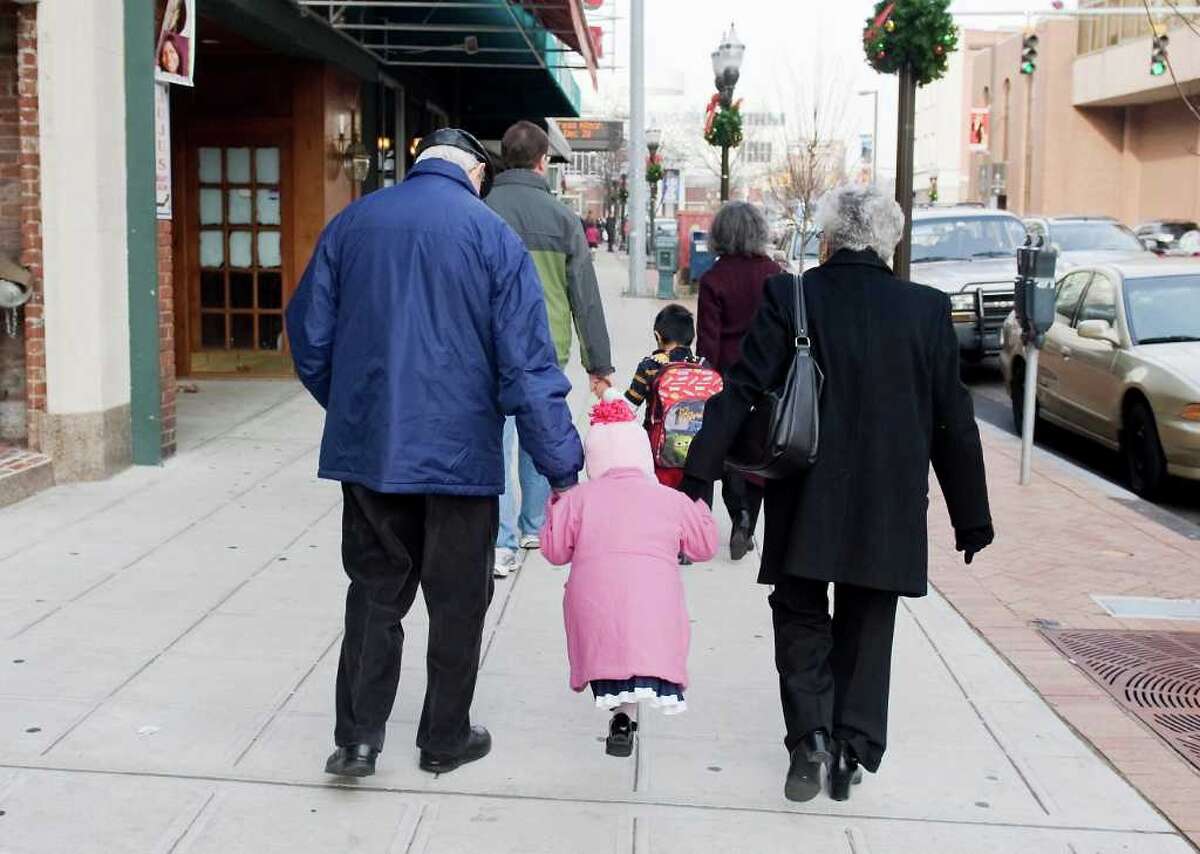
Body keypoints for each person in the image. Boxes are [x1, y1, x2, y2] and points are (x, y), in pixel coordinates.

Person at [286, 128, 583, 780]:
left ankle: (358, 741)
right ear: (476, 173)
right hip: (460, 458)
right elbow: (529, 367)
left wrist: (353, 406)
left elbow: (309, 336)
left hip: (373, 451)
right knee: (457, 601)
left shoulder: (353, 223)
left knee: (374, 591)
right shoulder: (492, 238)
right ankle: (444, 737)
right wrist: (562, 466)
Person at [682, 184, 994, 803]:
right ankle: (853, 746)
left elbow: (743, 388)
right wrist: (971, 516)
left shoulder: (793, 296)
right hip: (890, 500)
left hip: (807, 491)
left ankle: (810, 742)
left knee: (799, 610)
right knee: (868, 618)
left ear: (826, 240)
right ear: (889, 243)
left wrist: (698, 473)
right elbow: (952, 421)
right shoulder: (927, 310)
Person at [542, 393, 717, 757]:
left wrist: (557, 504)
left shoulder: (579, 498)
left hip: (596, 606)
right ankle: (626, 716)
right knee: (642, 655)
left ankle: (621, 716)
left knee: (611, 660)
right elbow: (703, 547)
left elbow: (555, 552)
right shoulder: (668, 499)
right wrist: (698, 505)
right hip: (655, 607)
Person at [486, 121, 614, 579]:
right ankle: (535, 524)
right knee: (541, 427)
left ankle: (500, 538)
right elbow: (585, 294)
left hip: (491, 347)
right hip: (547, 344)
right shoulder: (563, 219)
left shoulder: (482, 209)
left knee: (496, 440)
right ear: (543, 162)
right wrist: (597, 363)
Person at [695, 201, 782, 561]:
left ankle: (738, 514)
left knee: (730, 451)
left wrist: (707, 378)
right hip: (769, 376)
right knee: (758, 452)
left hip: (730, 378)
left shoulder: (713, 279)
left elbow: (708, 342)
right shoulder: (774, 273)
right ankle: (748, 521)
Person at [623, 304, 704, 490]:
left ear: (657, 337)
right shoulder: (704, 366)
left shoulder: (650, 366)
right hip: (697, 457)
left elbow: (627, 409)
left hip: (658, 455)